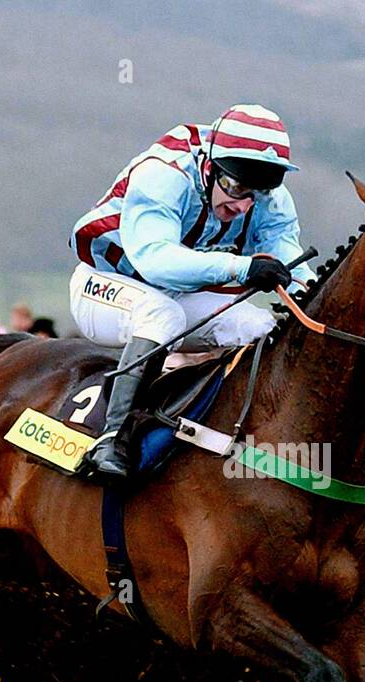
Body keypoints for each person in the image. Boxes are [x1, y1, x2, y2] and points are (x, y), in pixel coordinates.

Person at [69, 104, 314, 480]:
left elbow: (288, 257)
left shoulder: (268, 197)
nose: (242, 204)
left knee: (262, 327)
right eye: (234, 187)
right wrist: (243, 267)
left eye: (256, 193)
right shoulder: (164, 174)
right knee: (161, 315)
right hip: (105, 284)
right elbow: (156, 260)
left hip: (175, 293)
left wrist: (314, 296)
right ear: (209, 165)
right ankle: (112, 437)